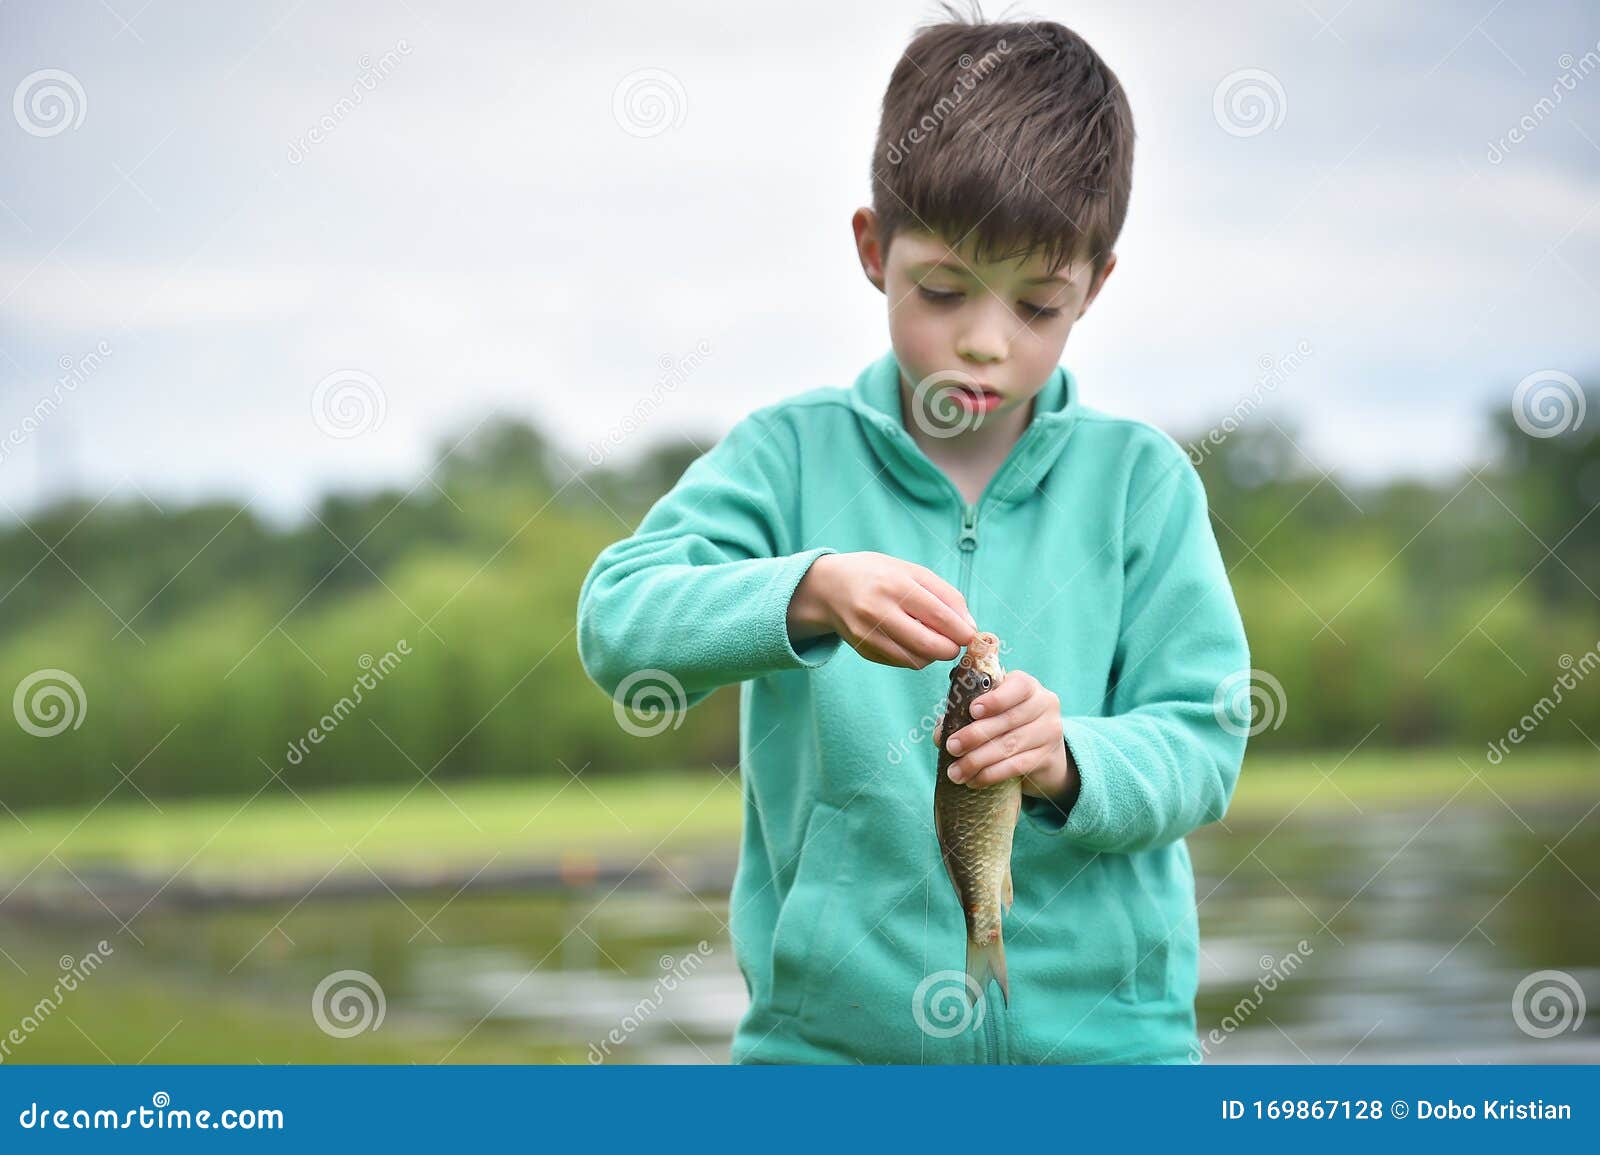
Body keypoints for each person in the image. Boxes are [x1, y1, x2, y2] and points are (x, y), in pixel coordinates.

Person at [577, 7, 1251, 1063]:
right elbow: (619, 623)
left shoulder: (1140, 485)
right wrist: (807, 590)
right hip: (826, 1062)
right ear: (871, 249)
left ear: (1097, 285)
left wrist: (1070, 759)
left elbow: (1203, 740)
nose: (983, 343)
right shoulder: (786, 457)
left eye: (1036, 306)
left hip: (1114, 1060)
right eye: (942, 291)